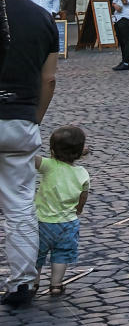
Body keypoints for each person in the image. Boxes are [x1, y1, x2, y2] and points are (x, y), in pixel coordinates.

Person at [1, 0, 60, 308]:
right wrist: (33, 118)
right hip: (19, 119)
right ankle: (21, 284)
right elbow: (49, 78)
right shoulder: (42, 17)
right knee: (20, 205)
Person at [33, 124, 88, 297]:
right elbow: (83, 195)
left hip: (43, 222)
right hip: (68, 224)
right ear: (79, 153)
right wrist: (78, 209)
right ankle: (56, 285)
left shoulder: (48, 165)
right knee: (61, 254)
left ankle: (33, 283)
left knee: (37, 255)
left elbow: (31, 159)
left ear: (52, 150)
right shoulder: (82, 173)